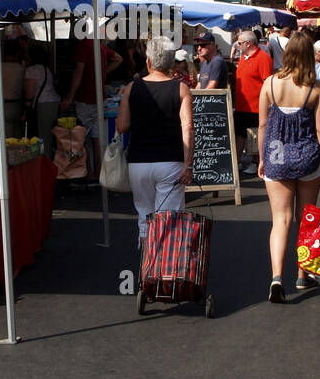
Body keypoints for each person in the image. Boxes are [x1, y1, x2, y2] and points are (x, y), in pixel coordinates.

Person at [258, 33, 320, 303]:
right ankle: (303, 273)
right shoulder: (316, 90)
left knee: (281, 220)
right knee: (306, 218)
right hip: (307, 157)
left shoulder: (270, 84)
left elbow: (263, 125)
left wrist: (262, 158)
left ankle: (277, 277)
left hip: (276, 158)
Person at [116, 36, 193, 244]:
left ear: (148, 61)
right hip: (170, 160)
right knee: (169, 220)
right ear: (170, 62)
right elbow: (187, 127)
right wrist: (188, 164)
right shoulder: (181, 89)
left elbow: (121, 126)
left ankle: (147, 266)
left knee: (145, 217)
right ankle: (166, 269)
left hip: (139, 161)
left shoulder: (132, 88)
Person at [60, 28, 123, 180]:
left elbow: (78, 72)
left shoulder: (84, 46)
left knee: (82, 138)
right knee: (97, 138)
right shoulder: (99, 46)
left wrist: (69, 97)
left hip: (85, 99)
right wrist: (102, 73)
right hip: (99, 99)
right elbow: (119, 59)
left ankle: (86, 172)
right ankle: (98, 173)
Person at [232, 29, 273, 175]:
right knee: (240, 135)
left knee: (255, 136)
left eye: (240, 43)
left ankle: (256, 163)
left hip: (256, 106)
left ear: (248, 44)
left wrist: (267, 105)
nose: (238, 46)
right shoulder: (244, 58)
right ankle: (235, 163)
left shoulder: (263, 58)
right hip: (242, 105)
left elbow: (267, 83)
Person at [24, 42, 60, 156]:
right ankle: (48, 159)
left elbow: (29, 93)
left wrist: (25, 110)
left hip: (43, 104)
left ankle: (45, 163)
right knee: (49, 134)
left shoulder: (31, 70)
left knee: (43, 136)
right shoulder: (46, 68)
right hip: (53, 102)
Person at [0, 38, 26, 137]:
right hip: (18, 105)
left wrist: (1, 43)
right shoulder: (21, 68)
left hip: (3, 105)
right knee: (18, 135)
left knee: (5, 136)